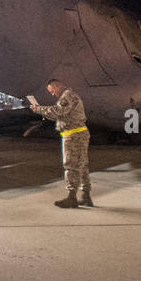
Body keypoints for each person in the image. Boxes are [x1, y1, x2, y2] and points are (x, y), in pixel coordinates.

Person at [28, 78, 92, 208]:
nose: (53, 94)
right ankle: (86, 196)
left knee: (71, 165)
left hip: (73, 135)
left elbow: (58, 111)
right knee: (82, 165)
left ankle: (72, 197)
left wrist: (38, 109)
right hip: (78, 133)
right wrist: (42, 111)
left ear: (58, 86)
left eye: (52, 90)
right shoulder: (70, 96)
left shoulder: (67, 96)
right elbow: (58, 115)